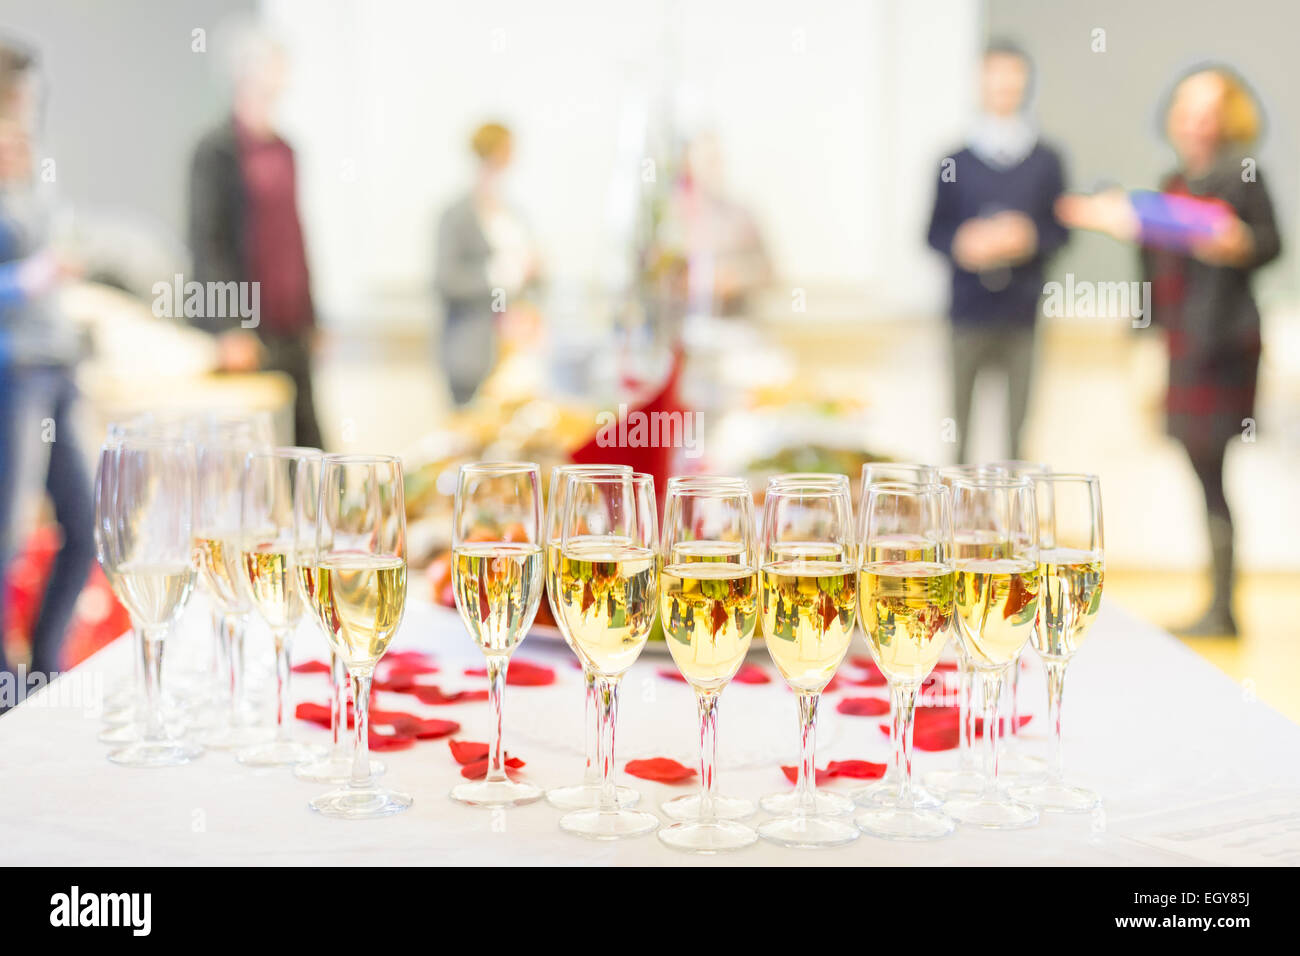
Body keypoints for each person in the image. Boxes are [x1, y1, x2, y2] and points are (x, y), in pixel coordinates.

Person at [1057, 66, 1280, 638]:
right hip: (1180, 346)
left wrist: (1232, 240)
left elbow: (1265, 244)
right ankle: (1219, 606)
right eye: (1185, 108)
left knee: (1212, 471)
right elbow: (1153, 274)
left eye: (1207, 111)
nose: (1194, 122)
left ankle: (1223, 609)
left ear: (1228, 119)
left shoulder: (1240, 177)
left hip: (1222, 349)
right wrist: (1143, 344)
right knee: (1200, 470)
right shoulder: (1172, 181)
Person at [0, 38, 94, 681]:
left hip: (58, 367)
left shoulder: (31, 164)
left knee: (85, 528)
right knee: (6, 541)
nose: (27, 107)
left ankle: (46, 666)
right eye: (16, 92)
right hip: (14, 374)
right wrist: (31, 277)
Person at [927, 40, 1069, 462]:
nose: (1004, 87)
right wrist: (963, 242)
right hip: (967, 312)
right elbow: (933, 232)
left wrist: (1027, 238)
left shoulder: (1046, 160)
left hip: (1022, 313)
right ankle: (954, 519)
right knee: (959, 434)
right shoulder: (955, 161)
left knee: (1018, 436)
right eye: (995, 77)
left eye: (1013, 78)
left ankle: (1013, 522)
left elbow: (1060, 231)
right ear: (980, 84)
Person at [188, 22, 322, 448]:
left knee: (311, 445)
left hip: (292, 324)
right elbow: (208, 242)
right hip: (248, 327)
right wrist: (228, 327)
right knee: (261, 453)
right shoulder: (215, 151)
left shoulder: (285, 148)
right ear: (246, 74)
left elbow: (294, 236)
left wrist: (314, 316)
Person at [434, 122, 541, 407]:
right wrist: (498, 275)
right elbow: (446, 281)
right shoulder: (456, 215)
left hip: (514, 352)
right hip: (470, 354)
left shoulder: (514, 213)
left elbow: (529, 277)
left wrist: (532, 273)